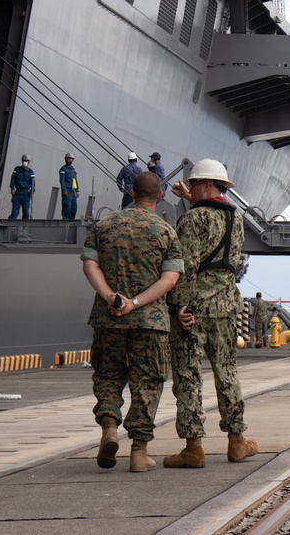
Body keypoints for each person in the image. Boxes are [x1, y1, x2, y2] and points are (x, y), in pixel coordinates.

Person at [81, 171, 184, 472]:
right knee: (147, 384)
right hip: (149, 323)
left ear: (131, 192)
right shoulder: (166, 231)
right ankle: (139, 452)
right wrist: (135, 303)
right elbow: (170, 278)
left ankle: (109, 429)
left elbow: (89, 264)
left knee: (109, 376)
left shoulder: (105, 225)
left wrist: (112, 297)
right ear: (160, 196)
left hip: (108, 318)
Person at [164, 159, 258, 468]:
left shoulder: (192, 221)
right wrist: (188, 199)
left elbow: (185, 265)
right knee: (226, 372)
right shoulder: (237, 220)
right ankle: (237, 441)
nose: (189, 189)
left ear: (205, 185)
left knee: (188, 375)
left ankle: (194, 447)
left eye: (192, 185)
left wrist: (179, 306)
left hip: (194, 309)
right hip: (226, 307)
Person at [8, 154, 35, 219]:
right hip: (17, 193)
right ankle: (9, 224)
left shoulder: (31, 172)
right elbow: (13, 179)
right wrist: (12, 188)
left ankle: (23, 227)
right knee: (14, 212)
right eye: (23, 160)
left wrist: (32, 192)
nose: (24, 162)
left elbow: (33, 184)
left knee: (26, 213)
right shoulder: (17, 169)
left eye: (26, 161)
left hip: (26, 194)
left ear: (28, 162)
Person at [59, 152, 79, 220]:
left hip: (73, 191)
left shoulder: (73, 169)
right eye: (68, 159)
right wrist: (64, 190)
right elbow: (62, 180)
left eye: (70, 159)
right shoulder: (63, 169)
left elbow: (75, 180)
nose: (69, 160)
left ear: (72, 160)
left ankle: (72, 221)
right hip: (67, 191)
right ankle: (65, 221)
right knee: (67, 206)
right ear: (65, 159)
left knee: (74, 208)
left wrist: (77, 190)